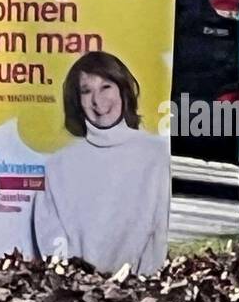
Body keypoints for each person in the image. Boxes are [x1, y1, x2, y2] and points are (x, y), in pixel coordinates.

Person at [32, 51, 169, 275]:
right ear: (77, 100)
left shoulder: (155, 154)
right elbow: (49, 230)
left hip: (135, 291)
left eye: (106, 87)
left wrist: (140, 284)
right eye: (87, 91)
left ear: (123, 90)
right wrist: (74, 281)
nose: (98, 100)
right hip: (73, 291)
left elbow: (158, 232)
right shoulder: (58, 164)